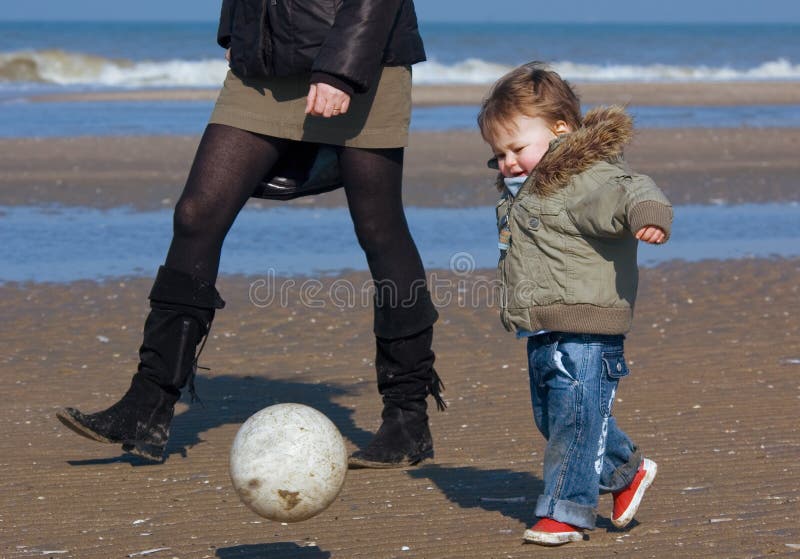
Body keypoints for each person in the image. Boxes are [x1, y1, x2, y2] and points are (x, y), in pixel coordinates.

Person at [57, 0, 445, 469]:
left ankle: (407, 420)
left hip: (361, 58)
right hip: (264, 60)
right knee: (196, 214)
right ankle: (148, 404)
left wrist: (342, 71)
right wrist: (236, 30)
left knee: (380, 230)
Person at [477, 62, 672, 546]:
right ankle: (626, 473)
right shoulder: (526, 193)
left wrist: (647, 216)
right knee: (555, 417)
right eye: (499, 154)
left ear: (560, 130)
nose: (508, 162)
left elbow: (629, 190)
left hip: (588, 327)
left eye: (517, 148)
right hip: (543, 325)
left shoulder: (585, 176)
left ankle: (567, 512)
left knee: (575, 420)